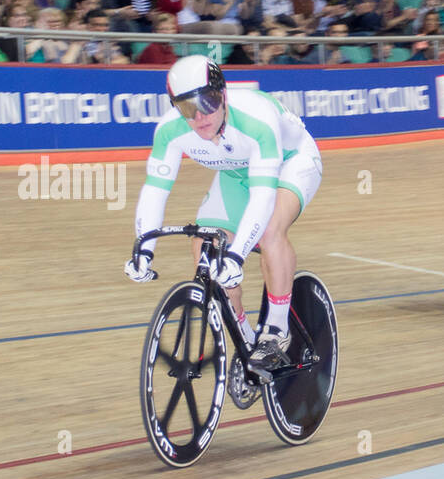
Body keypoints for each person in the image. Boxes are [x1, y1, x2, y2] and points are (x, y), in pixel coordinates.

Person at [126, 55, 324, 378]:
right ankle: (245, 338)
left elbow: (263, 197)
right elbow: (154, 191)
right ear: (176, 108)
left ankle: (275, 330)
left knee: (270, 230)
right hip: (237, 173)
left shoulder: (256, 120)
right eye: (188, 108)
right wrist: (144, 250)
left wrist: (237, 255)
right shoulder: (170, 132)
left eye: (208, 100)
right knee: (204, 245)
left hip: (292, 161)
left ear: (224, 94)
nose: (201, 115)